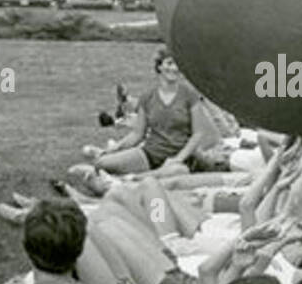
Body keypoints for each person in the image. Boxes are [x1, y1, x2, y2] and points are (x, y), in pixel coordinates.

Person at [72, 47, 217, 182]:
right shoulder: (147, 97)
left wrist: (178, 158)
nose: (174, 68)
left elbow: (198, 134)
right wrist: (115, 149)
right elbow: (137, 134)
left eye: (178, 65)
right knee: (103, 163)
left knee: (179, 172)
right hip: (150, 154)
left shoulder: (189, 96)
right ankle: (128, 176)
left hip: (180, 159)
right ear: (159, 67)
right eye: (170, 63)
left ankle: (131, 179)